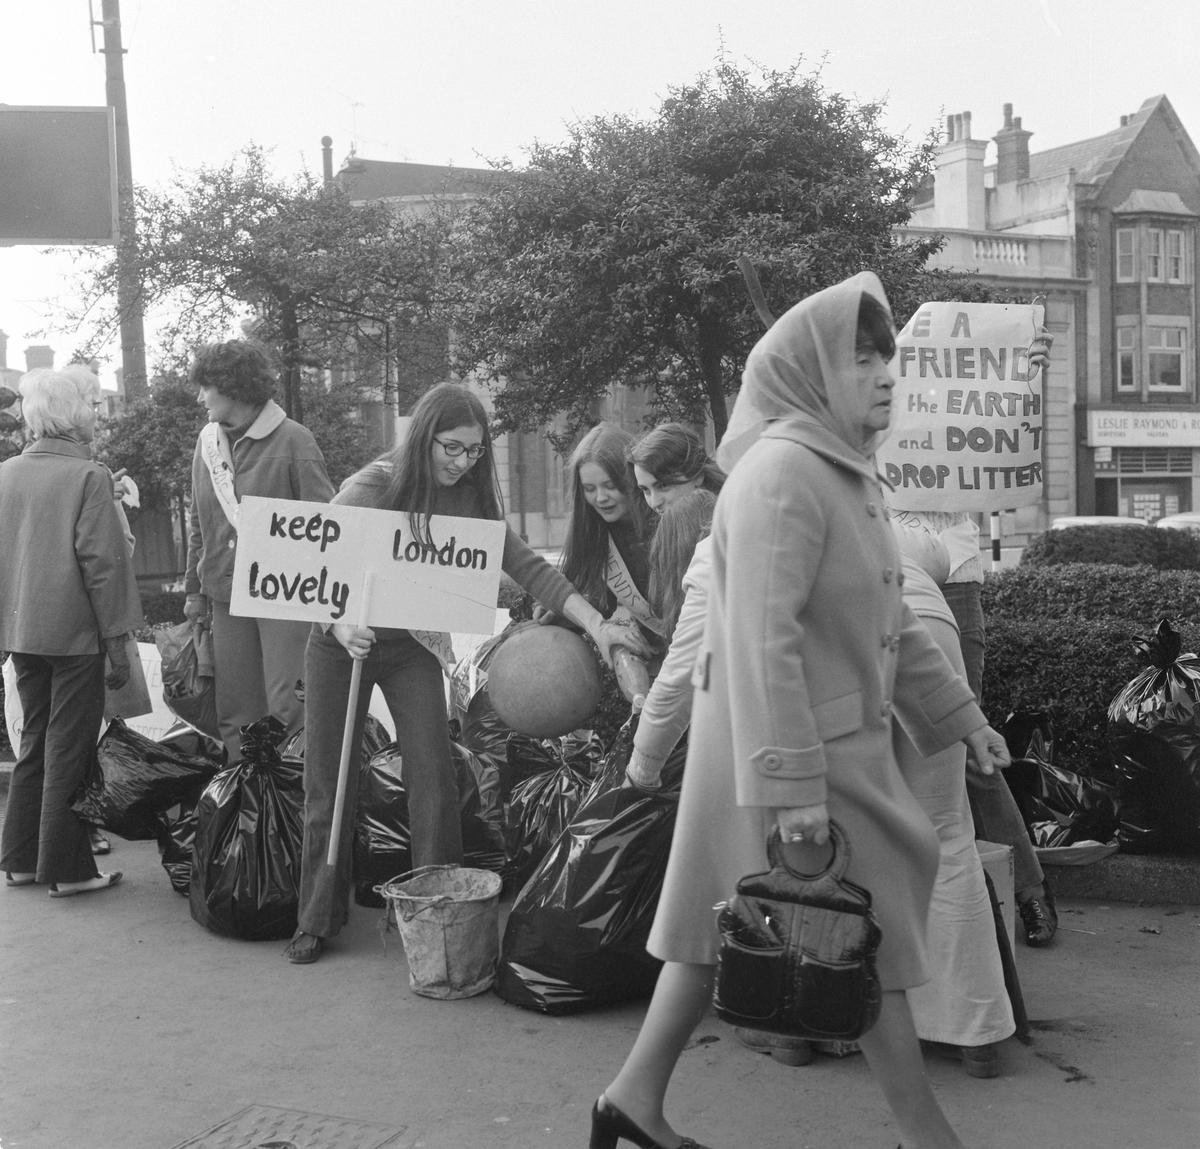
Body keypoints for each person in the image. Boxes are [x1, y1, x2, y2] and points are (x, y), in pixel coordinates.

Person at [593, 272, 1012, 1149]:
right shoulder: (785, 473)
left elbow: (890, 617)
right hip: (798, 755)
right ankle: (928, 1136)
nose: (886, 374)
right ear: (811, 373)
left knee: (727, 929)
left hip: (802, 747)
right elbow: (761, 639)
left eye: (886, 356)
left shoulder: (840, 471)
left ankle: (631, 1098)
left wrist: (963, 717)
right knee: (858, 939)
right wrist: (794, 789)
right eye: (860, 359)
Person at [287, 383, 651, 965]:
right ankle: (316, 917)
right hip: (339, 646)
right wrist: (337, 622)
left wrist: (599, 626)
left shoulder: (472, 499)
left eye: (475, 450)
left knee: (434, 774)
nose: (462, 462)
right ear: (423, 439)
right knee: (327, 779)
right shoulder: (373, 486)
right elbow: (311, 557)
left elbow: (531, 568)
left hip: (411, 647)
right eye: (451, 448)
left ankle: (439, 908)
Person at [887, 331, 1058, 948]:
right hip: (880, 584)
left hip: (953, 585)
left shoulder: (943, 397)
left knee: (965, 744)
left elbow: (1002, 430)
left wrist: (1025, 377)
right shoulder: (852, 410)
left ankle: (1028, 891)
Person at [0, 366, 141, 896]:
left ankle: (20, 859)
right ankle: (68, 869)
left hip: (22, 631)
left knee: (34, 740)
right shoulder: (89, 476)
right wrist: (117, 641)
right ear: (75, 417)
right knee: (70, 748)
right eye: (92, 410)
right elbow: (103, 566)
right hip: (76, 634)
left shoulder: (6, 473)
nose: (96, 418)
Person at [892, 523, 1015, 1079]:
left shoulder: (745, 514)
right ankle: (976, 1032)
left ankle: (821, 1019)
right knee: (945, 834)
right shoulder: (882, 518)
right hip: (928, 630)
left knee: (833, 835)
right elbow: (935, 563)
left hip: (832, 645)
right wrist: (970, 721)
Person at [183, 339, 335, 763]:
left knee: (289, 706)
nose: (200, 397)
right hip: (225, 594)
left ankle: (293, 795)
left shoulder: (294, 440)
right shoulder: (206, 444)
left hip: (284, 596)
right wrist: (194, 592)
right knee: (236, 711)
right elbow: (199, 522)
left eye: (206, 387)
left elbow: (327, 525)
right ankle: (245, 797)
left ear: (232, 387)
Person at [558, 422, 661, 641]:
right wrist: (561, 611)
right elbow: (600, 603)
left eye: (610, 486)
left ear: (631, 480)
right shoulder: (594, 534)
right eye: (590, 489)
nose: (601, 498)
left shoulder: (665, 522)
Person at [628, 422, 725, 515]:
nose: (654, 503)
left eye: (663, 485)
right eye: (645, 490)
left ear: (698, 476)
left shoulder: (728, 519)